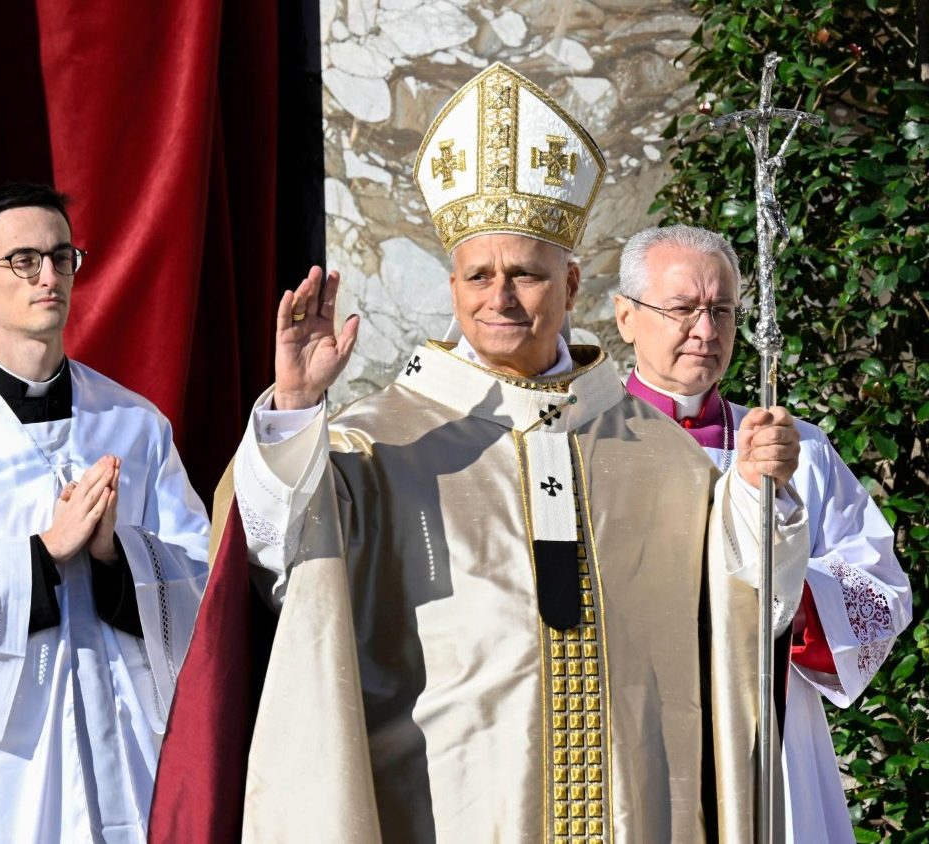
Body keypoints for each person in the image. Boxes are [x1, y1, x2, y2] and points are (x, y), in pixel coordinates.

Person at [152, 63, 810, 843]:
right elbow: (275, 563)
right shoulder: (379, 441)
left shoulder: (660, 455)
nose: (499, 297)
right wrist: (295, 410)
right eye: (479, 275)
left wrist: (759, 497)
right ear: (453, 284)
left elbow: (749, 608)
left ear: (569, 284)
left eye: (525, 275)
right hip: (443, 811)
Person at [0, 183, 210, 843]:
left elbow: (197, 571)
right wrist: (42, 554)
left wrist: (116, 556)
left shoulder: (134, 424)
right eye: (23, 261)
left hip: (121, 724)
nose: (48, 276)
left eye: (62, 257)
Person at [614, 224, 913, 843]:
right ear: (625, 317)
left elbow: (884, 593)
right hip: (632, 736)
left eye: (721, 310)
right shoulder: (585, 446)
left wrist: (791, 593)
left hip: (773, 740)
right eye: (682, 309)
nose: (706, 330)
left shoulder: (796, 445)